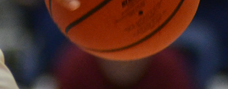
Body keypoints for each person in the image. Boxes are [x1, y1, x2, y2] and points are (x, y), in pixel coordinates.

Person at [54, 45, 195, 89]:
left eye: (130, 55)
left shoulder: (168, 65)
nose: (124, 62)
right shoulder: (76, 65)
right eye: (116, 54)